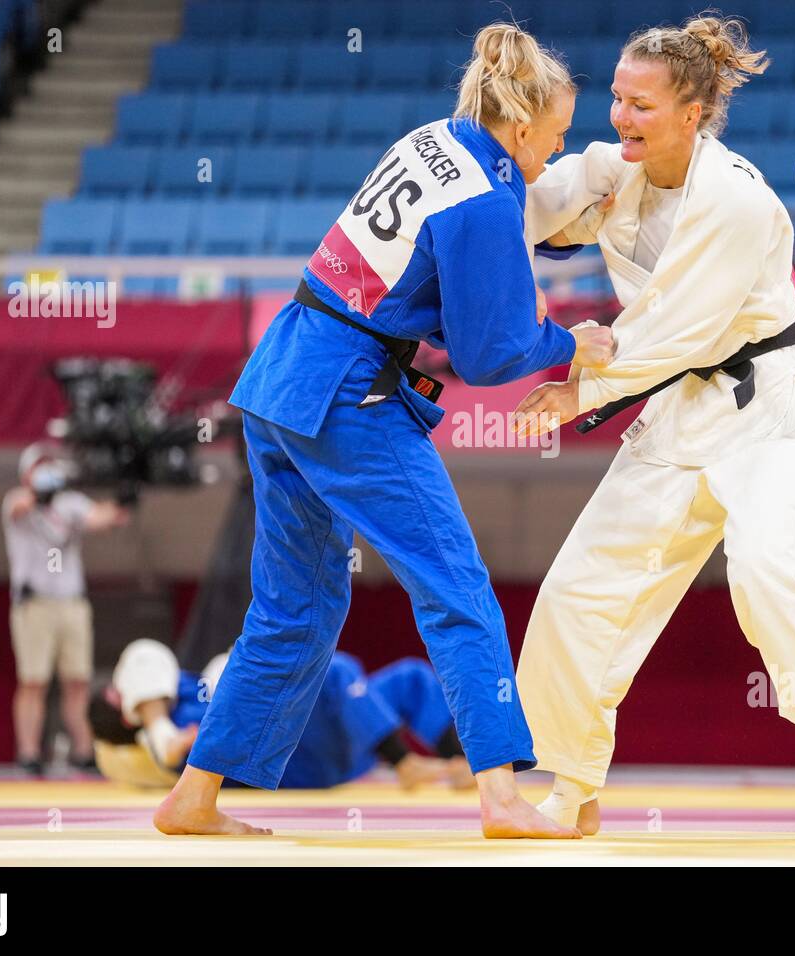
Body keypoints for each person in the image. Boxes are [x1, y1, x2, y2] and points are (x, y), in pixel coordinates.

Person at [154, 23, 614, 840]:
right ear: (520, 124)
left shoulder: (433, 141)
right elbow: (488, 351)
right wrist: (572, 342)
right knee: (456, 584)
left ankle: (194, 798)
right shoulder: (486, 197)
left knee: (293, 607)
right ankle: (503, 797)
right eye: (557, 133)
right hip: (348, 399)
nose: (558, 148)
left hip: (279, 378)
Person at [513, 14, 795, 832]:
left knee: (771, 567)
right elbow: (531, 210)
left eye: (641, 104)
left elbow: (677, 328)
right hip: (679, 406)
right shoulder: (615, 166)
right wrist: (477, 205)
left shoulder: (736, 200)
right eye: (616, 98)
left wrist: (578, 393)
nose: (620, 118)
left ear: (693, 112)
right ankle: (571, 786)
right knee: (580, 588)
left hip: (769, 403)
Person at [92, 640, 473, 791]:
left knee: (410, 678)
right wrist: (165, 737)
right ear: (127, 712)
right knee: (335, 668)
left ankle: (462, 765)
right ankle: (404, 763)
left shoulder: (187, 691)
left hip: (336, 732)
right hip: (300, 754)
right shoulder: (171, 741)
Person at [1, 442, 130, 775]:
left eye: (50, 466)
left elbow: (99, 517)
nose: (47, 471)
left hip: (71, 604)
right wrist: (39, 494)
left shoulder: (69, 503)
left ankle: (83, 750)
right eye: (39, 467)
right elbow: (19, 508)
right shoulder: (17, 501)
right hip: (34, 606)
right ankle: (29, 752)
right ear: (27, 473)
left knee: (77, 681)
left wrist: (122, 500)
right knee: (34, 681)